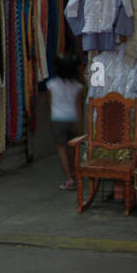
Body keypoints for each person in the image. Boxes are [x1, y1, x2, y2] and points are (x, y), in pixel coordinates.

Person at [45, 56, 84, 191]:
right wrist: (79, 123)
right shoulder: (78, 86)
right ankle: (74, 173)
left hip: (58, 119)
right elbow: (79, 106)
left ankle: (69, 178)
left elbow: (49, 103)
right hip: (73, 119)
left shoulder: (51, 84)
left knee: (61, 149)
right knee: (73, 149)